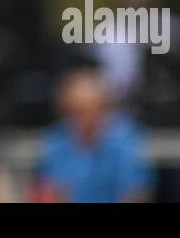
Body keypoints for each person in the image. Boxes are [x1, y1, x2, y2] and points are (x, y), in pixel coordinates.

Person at [33, 67, 154, 203]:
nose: (82, 119)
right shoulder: (56, 140)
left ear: (104, 108)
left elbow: (136, 193)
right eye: (74, 112)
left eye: (89, 110)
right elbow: (45, 191)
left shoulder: (125, 138)